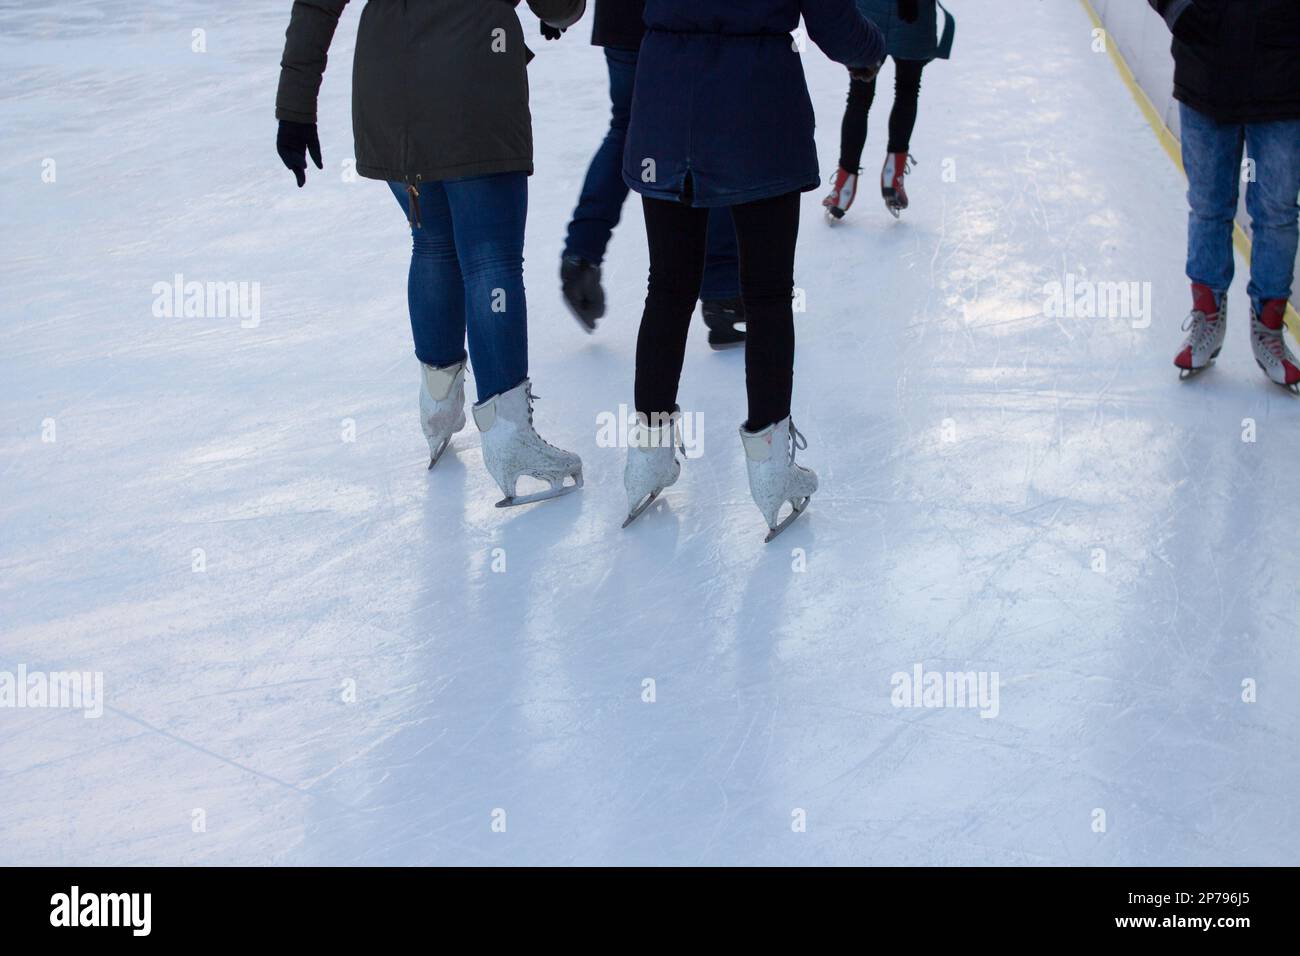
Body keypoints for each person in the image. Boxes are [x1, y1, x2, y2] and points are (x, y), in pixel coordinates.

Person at [274, 0, 589, 506]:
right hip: (473, 79)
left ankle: (439, 402)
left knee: (433, 243)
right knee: (491, 260)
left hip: (388, 85)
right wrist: (559, 14)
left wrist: (294, 106)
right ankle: (509, 435)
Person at [619, 0, 885, 541]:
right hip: (756, 105)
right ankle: (770, 469)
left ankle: (648, 454)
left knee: (668, 285)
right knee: (766, 293)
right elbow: (834, 25)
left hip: (667, 98)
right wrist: (871, 52)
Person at [560, 0, 747, 349]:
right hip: (683, 23)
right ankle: (722, 292)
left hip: (622, 20)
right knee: (714, 134)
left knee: (628, 127)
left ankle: (580, 254)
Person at [1149, 0, 1300, 390]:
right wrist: (1180, 10)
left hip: (1283, 73)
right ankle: (1207, 317)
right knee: (1208, 205)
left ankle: (1269, 328)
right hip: (1205, 68)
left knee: (1278, 210)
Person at [823, 0, 955, 220]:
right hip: (915, 14)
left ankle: (843, 189)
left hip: (870, 13)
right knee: (907, 90)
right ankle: (893, 176)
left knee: (859, 97)